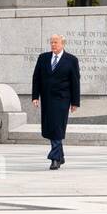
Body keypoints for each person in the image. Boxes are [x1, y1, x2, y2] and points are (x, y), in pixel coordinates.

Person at [31, 33, 81, 169]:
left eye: (56, 42)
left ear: (62, 44)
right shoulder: (43, 58)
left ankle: (54, 158)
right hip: (47, 99)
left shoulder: (71, 60)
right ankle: (61, 156)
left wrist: (75, 102)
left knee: (57, 126)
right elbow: (36, 78)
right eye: (51, 42)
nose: (53, 45)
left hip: (62, 99)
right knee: (50, 127)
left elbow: (75, 82)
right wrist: (35, 96)